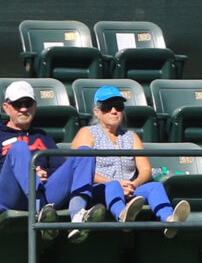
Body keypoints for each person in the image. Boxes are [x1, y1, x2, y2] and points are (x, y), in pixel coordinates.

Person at [0, 79, 96, 238]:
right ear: (7, 107)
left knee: (85, 153)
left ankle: (78, 217)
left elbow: (59, 167)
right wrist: (28, 173)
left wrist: (43, 173)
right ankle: (40, 211)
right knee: (19, 147)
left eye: (28, 104)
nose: (24, 109)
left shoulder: (42, 135)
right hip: (10, 196)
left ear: (35, 107)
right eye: (18, 104)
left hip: (46, 198)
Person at [69, 86, 190, 238]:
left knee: (155, 186)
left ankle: (170, 220)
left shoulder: (131, 136)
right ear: (97, 112)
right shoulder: (87, 133)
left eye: (118, 107)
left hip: (130, 189)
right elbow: (80, 169)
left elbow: (145, 168)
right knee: (113, 186)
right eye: (107, 107)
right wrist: (116, 183)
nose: (114, 111)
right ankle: (122, 214)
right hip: (99, 188)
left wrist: (135, 183)